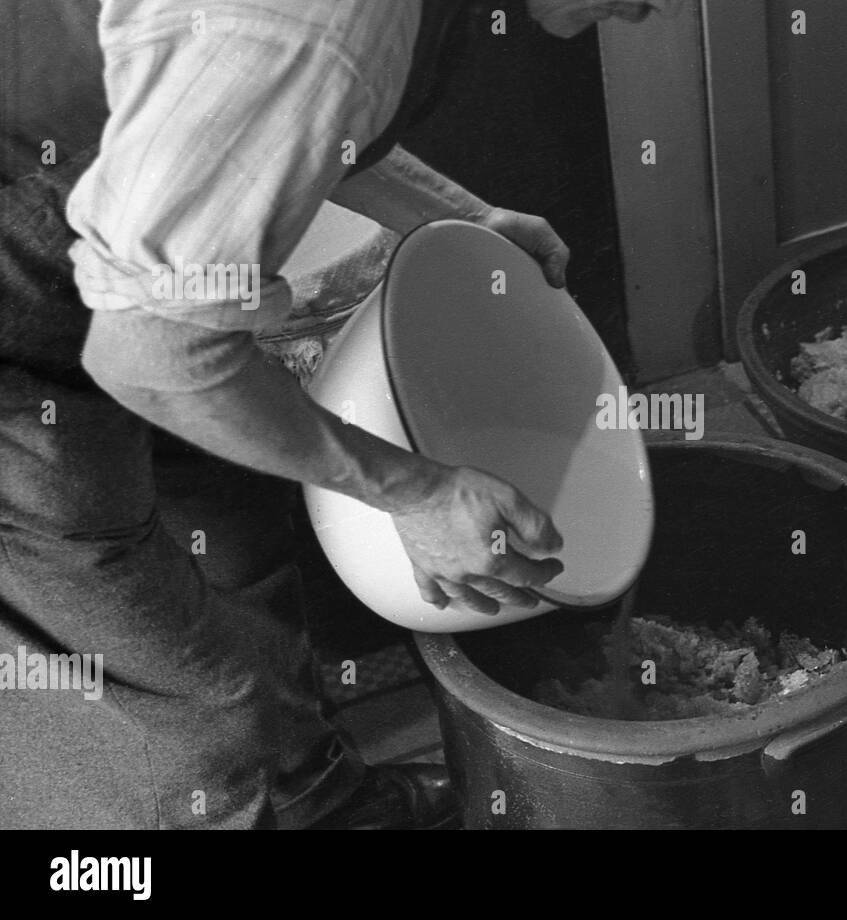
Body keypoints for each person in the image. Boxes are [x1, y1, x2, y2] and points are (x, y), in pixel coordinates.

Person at [0, 0, 674, 829]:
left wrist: (456, 219)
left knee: (241, 558)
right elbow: (148, 360)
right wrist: (413, 493)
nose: (662, 12)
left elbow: (264, 124)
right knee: (173, 682)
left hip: (128, 283)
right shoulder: (322, 23)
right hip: (39, 324)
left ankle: (321, 799)